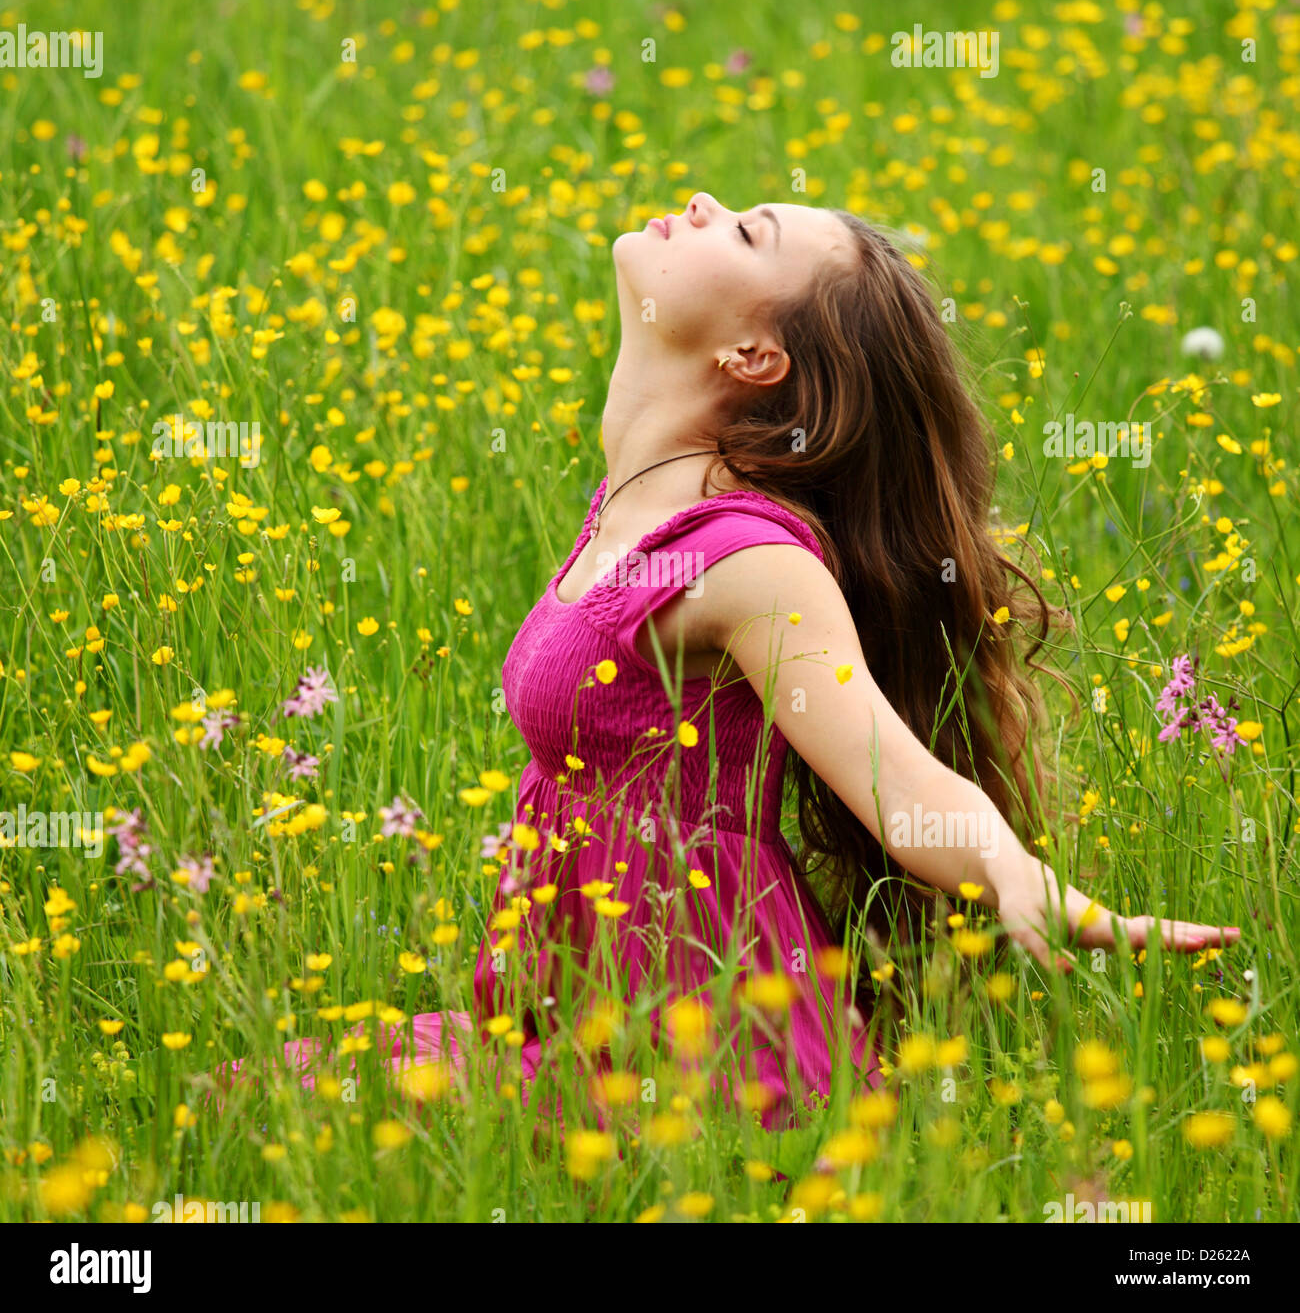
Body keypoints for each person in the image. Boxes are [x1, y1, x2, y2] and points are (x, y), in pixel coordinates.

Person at [219, 192, 1239, 1129]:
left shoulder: (748, 562)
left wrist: (1018, 877)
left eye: (748, 231)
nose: (703, 203)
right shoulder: (638, 499)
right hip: (592, 1022)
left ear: (755, 355)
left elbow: (897, 781)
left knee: (284, 1107)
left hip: (707, 1057)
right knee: (262, 1090)